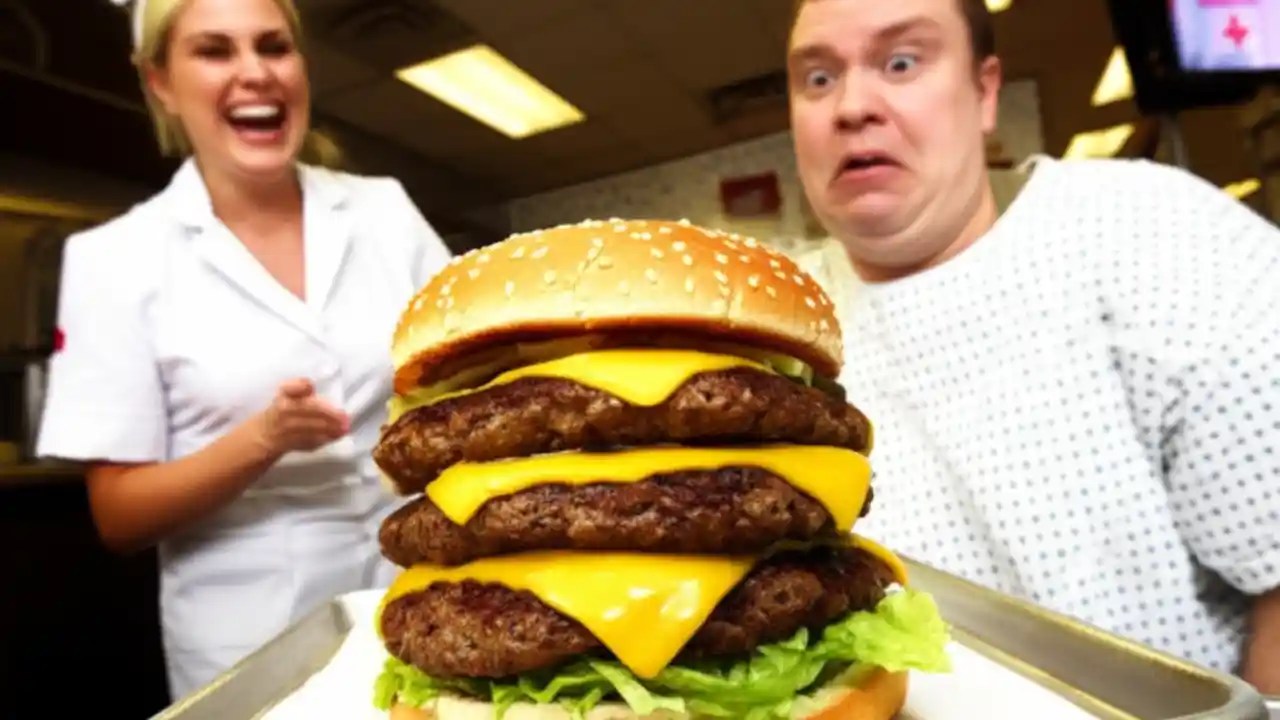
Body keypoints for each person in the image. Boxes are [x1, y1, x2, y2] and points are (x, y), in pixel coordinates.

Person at [786, 0, 1280, 694]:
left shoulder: (1158, 235)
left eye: (901, 62)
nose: (852, 105)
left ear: (984, 92)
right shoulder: (774, 338)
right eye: (817, 79)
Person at [35, 0, 452, 701]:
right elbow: (118, 516)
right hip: (252, 636)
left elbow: (465, 365)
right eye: (215, 51)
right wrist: (262, 439)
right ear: (159, 82)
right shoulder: (113, 260)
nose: (255, 72)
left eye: (273, 46)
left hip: (420, 590)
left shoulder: (384, 211)